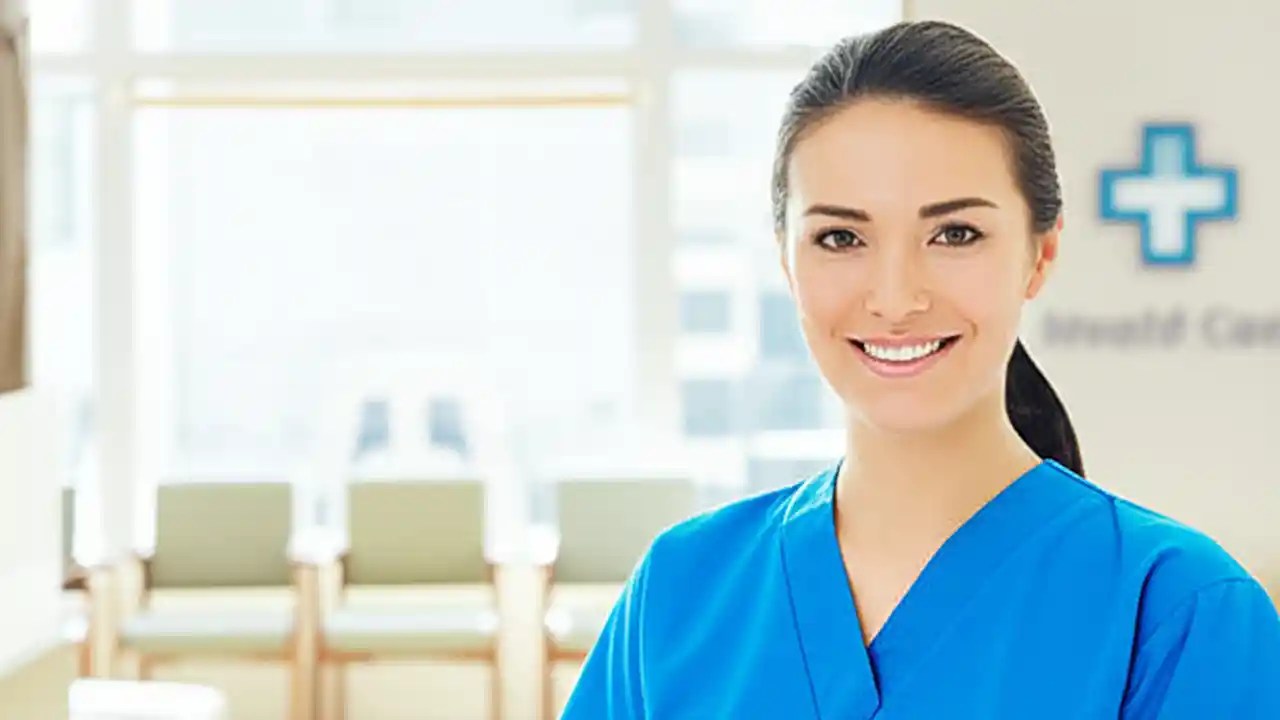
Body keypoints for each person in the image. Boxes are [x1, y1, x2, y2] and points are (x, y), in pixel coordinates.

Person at [560, 19, 1280, 719]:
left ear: (1041, 253)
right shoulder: (681, 595)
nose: (896, 298)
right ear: (785, 259)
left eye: (955, 233)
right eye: (841, 237)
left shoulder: (1179, 613)